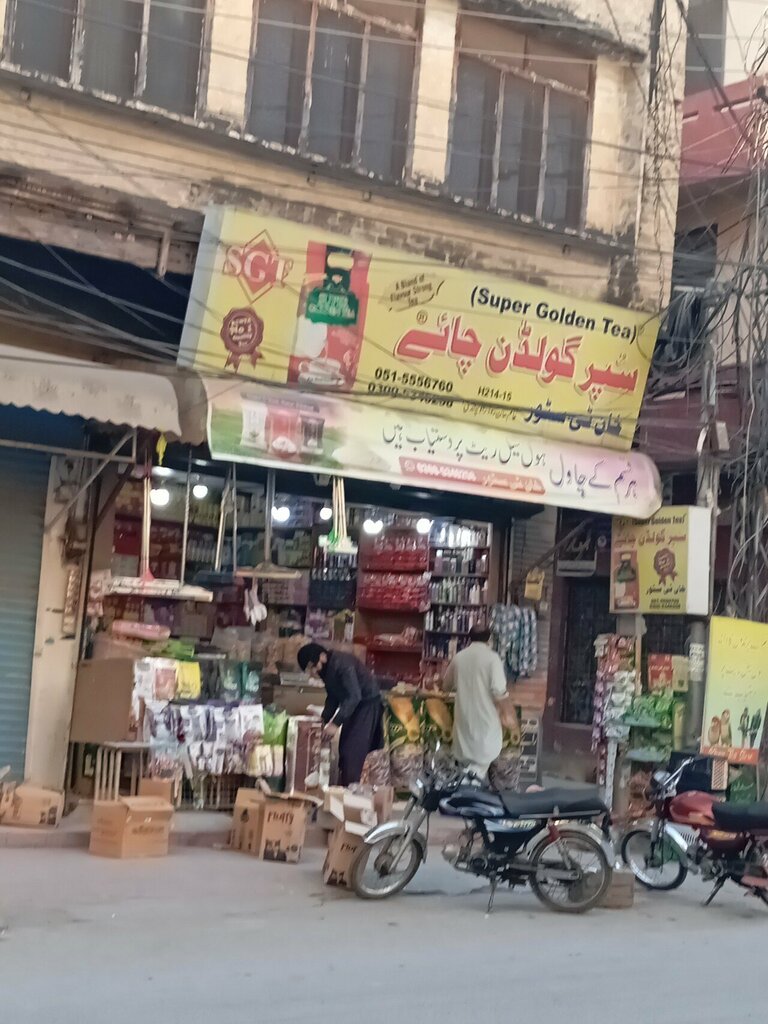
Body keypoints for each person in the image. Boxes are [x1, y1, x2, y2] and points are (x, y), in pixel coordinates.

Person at [297, 642, 383, 786]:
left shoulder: (342, 664)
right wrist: (323, 719)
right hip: (352, 706)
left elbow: (354, 696)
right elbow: (333, 697)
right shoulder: (325, 670)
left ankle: (352, 791)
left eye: (313, 666)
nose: (313, 671)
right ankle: (346, 788)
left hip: (366, 706)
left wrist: (335, 724)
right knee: (344, 749)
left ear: (322, 656)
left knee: (353, 751)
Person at [443, 626, 513, 780]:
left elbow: (445, 685)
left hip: (464, 724)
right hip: (486, 724)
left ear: (469, 638)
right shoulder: (493, 659)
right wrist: (509, 715)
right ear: (489, 640)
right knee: (478, 770)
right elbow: (499, 692)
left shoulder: (459, 658)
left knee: (466, 769)